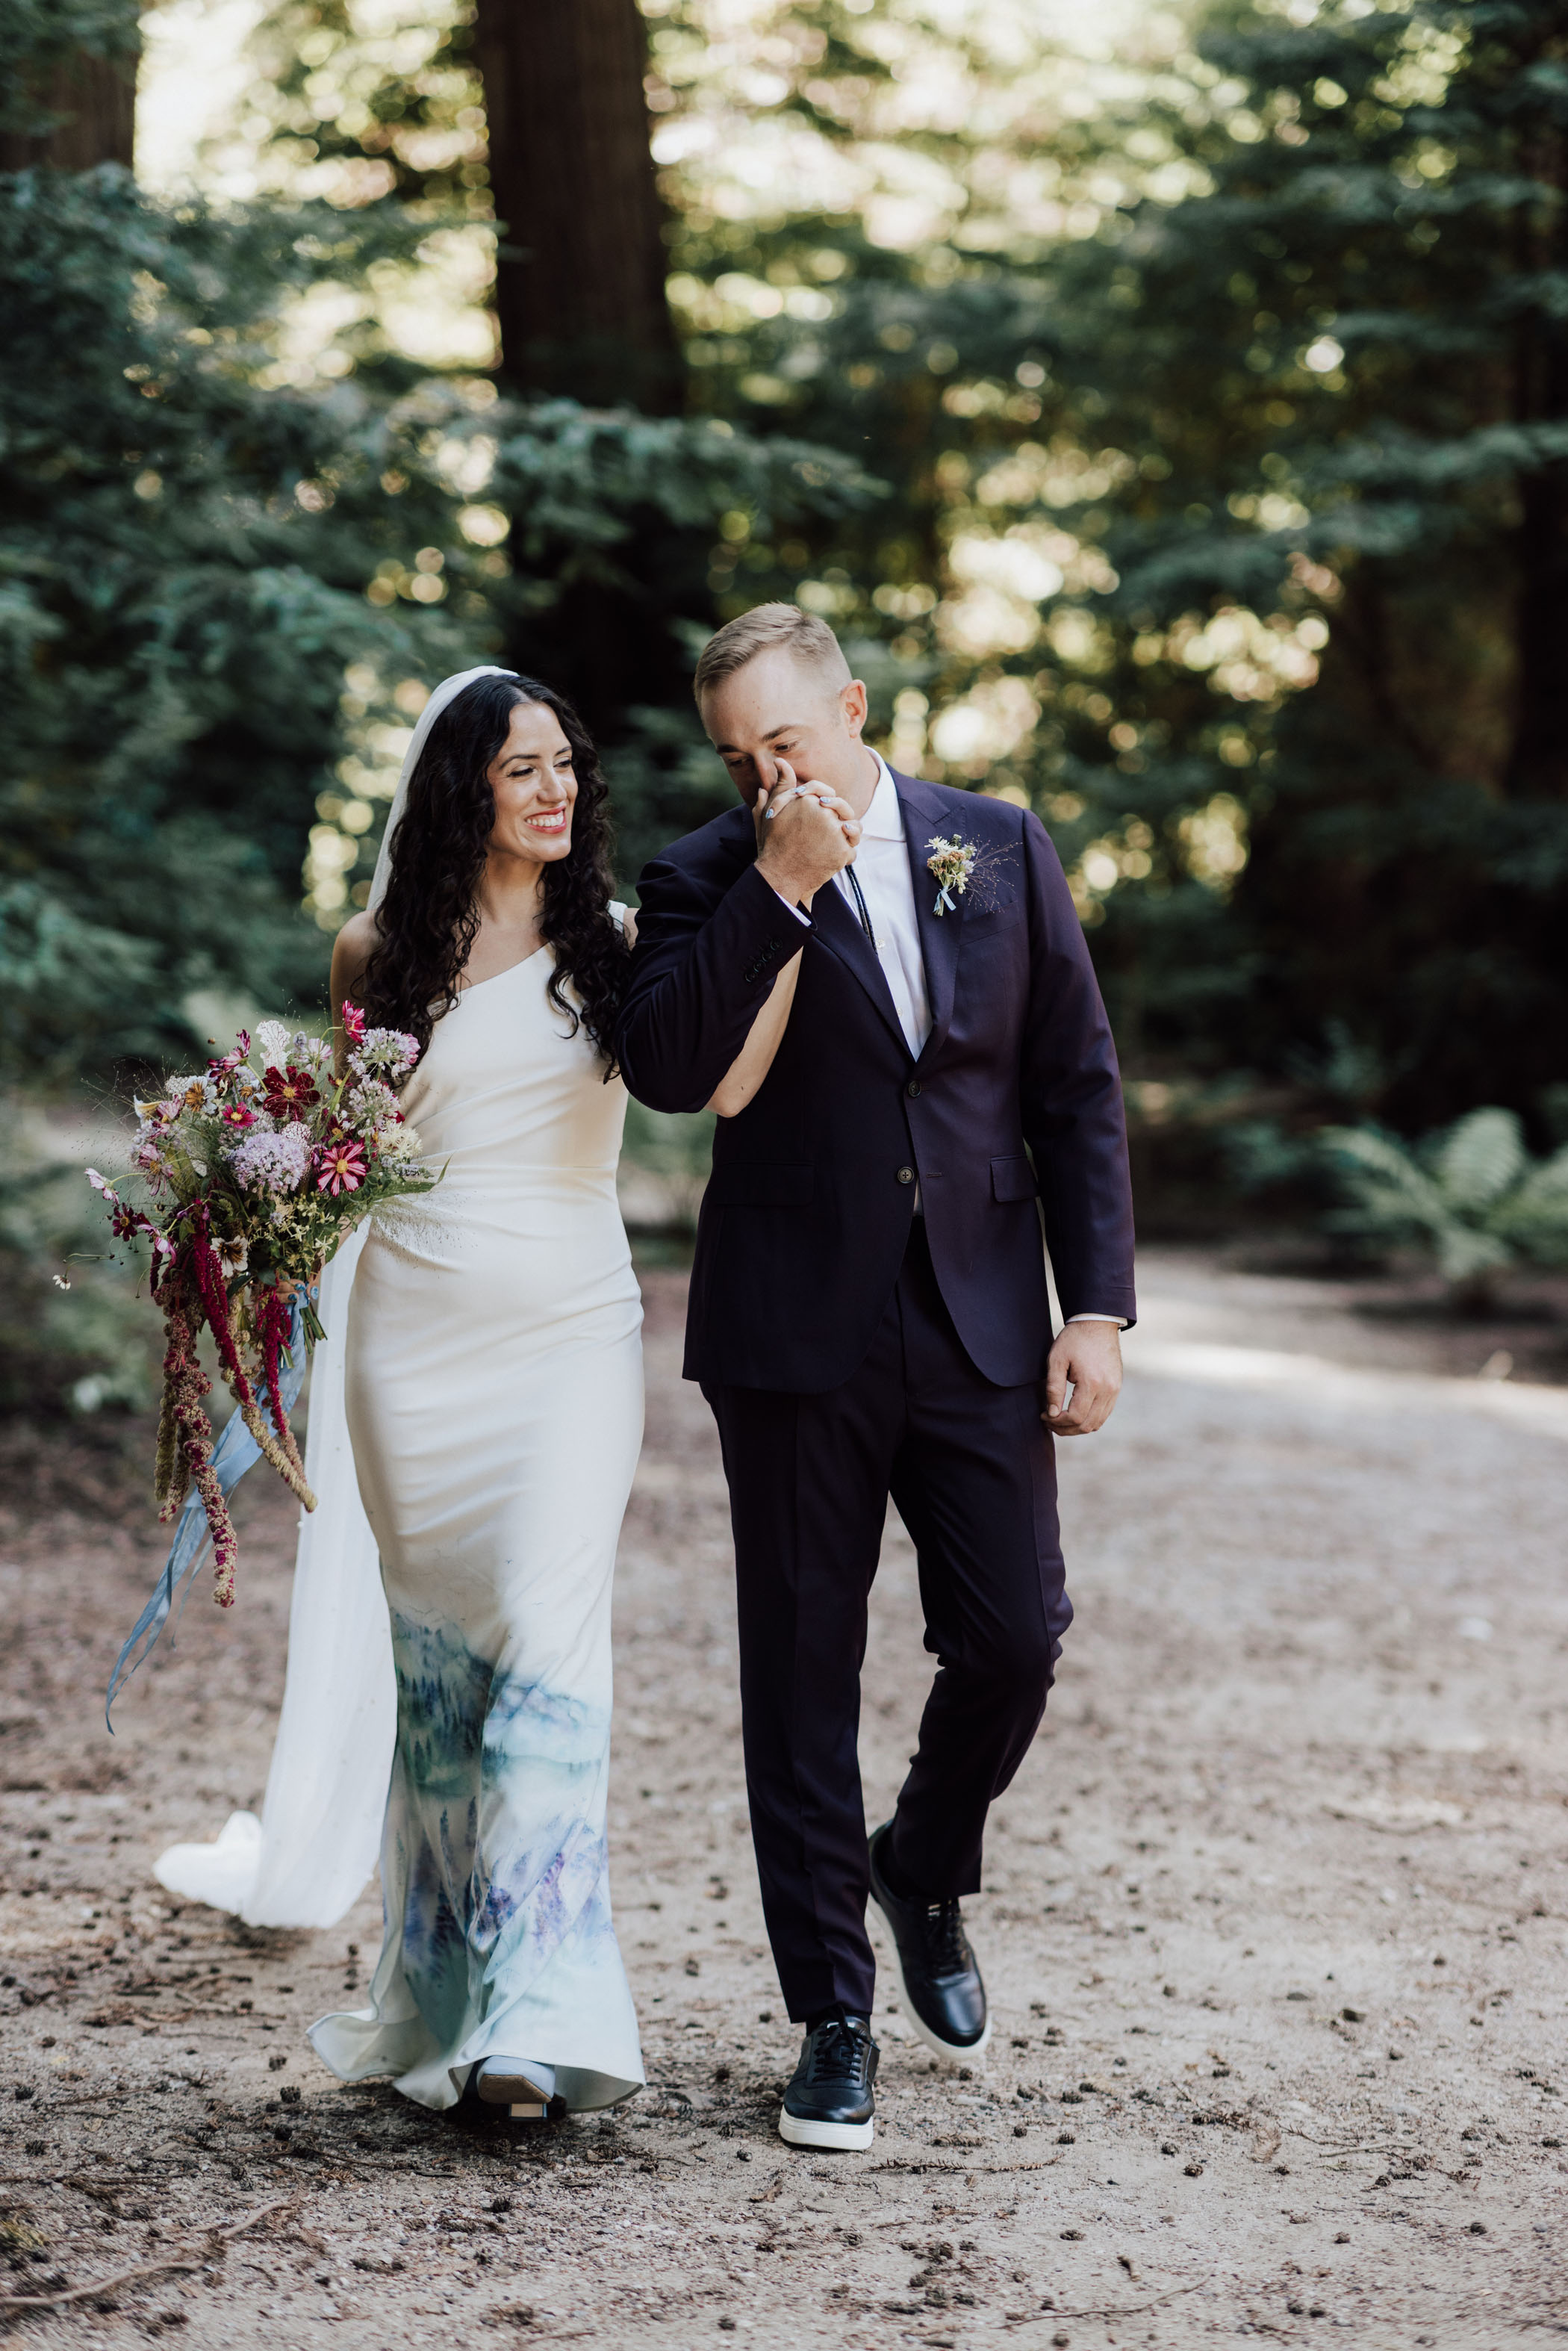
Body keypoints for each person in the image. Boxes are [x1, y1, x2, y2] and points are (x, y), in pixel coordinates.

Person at [616, 605, 1136, 2152]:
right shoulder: (704, 876)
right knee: (798, 1670)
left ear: (854, 705)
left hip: (977, 1310)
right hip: (791, 1328)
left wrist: (1096, 1305)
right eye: (738, 757)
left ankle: (921, 1853)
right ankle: (831, 2017)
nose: (769, 775)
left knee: (1017, 1633)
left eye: (787, 742)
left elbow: (1074, 1082)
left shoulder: (1000, 842)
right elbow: (669, 1070)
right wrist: (778, 888)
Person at [160, 664, 647, 2118]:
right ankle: (445, 1997)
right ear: (463, 790)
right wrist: (251, 1205)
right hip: (415, 1344)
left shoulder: (620, 944)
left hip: (572, 1331)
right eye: (522, 769)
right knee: (448, 1677)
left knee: (551, 1652)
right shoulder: (378, 950)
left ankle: (542, 2013)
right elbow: (352, 1153)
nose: (555, 790)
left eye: (567, 764)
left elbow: (719, 1085)